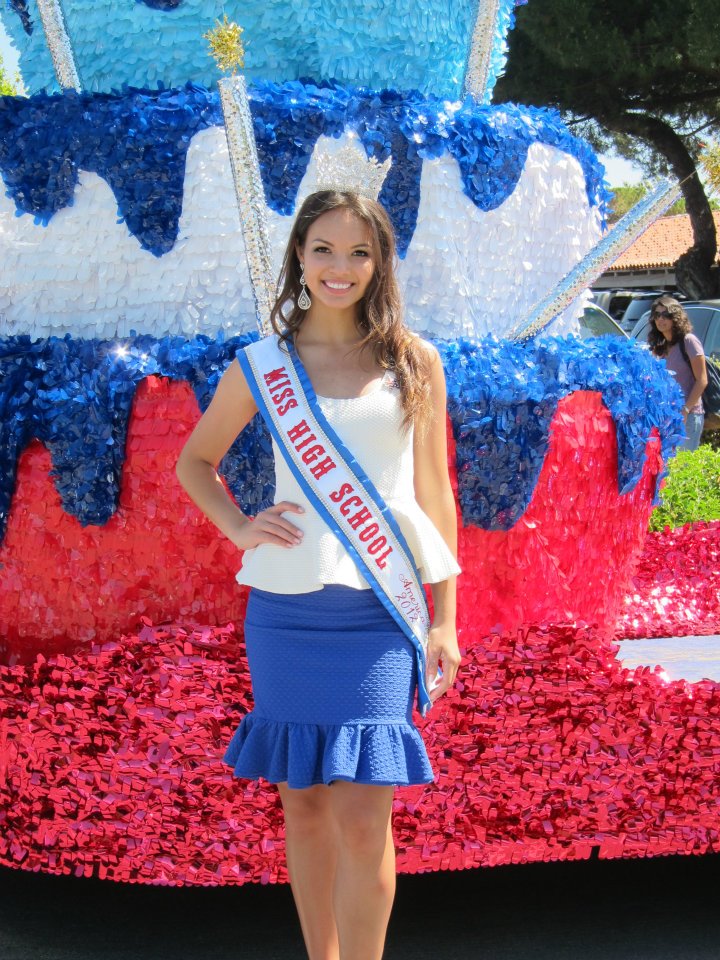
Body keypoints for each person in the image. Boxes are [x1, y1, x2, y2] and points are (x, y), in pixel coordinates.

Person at [175, 189, 461, 960]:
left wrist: (445, 620)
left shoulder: (414, 360)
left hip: (379, 613)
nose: (341, 267)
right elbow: (193, 461)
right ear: (299, 254)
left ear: (380, 263)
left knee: (366, 815)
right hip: (286, 610)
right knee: (302, 805)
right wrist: (240, 525)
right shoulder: (263, 365)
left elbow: (435, 494)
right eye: (325, 249)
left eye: (359, 252)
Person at [647, 295, 708, 451]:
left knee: (683, 468)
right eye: (657, 315)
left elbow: (702, 380)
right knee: (669, 470)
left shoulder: (689, 341)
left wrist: (685, 410)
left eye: (666, 315)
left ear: (676, 317)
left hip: (688, 415)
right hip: (667, 417)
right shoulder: (659, 347)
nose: (661, 319)